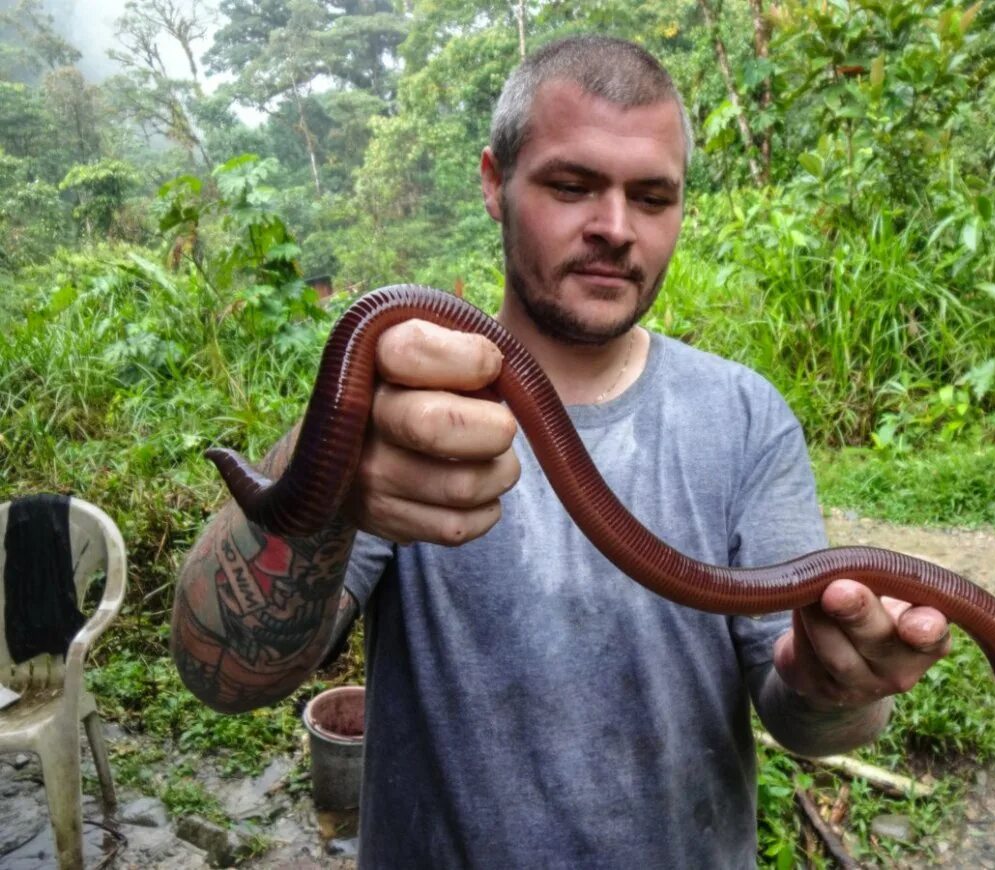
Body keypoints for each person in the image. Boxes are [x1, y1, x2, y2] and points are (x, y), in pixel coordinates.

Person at [172, 35, 951, 868]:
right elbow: (222, 677)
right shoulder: (402, 416)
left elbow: (801, 715)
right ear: (492, 183)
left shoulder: (744, 416)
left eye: (652, 197)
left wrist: (840, 685)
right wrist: (326, 482)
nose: (615, 228)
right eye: (572, 185)